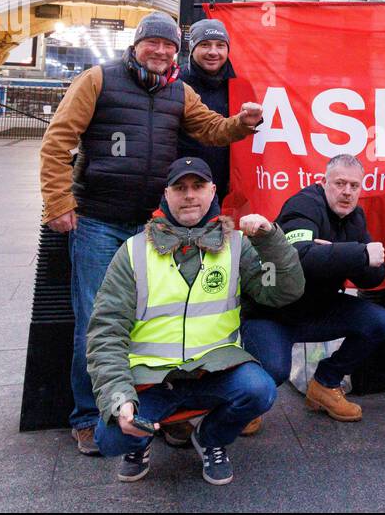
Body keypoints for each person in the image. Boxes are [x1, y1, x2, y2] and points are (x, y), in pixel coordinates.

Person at [39, 11, 265, 455]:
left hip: (151, 226)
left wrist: (241, 123)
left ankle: (160, 408)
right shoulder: (97, 80)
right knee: (94, 320)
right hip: (99, 222)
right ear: (137, 44)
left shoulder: (179, 91)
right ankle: (89, 415)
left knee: (156, 320)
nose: (161, 51)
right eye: (153, 43)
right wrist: (59, 203)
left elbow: (211, 130)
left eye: (169, 46)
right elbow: (58, 139)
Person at [85, 157, 305, 484]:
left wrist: (271, 238)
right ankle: (140, 440)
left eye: (198, 186)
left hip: (215, 372)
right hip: (152, 379)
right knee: (111, 439)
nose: (189, 195)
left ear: (212, 190)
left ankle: (210, 438)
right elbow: (106, 333)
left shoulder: (236, 245)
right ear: (167, 194)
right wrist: (119, 399)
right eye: (180, 187)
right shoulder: (133, 252)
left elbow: (283, 292)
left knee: (260, 390)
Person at [241, 154, 385, 423]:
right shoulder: (303, 205)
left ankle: (325, 384)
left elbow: (374, 276)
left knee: (379, 321)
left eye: (354, 186)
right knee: (274, 372)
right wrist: (354, 254)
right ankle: (245, 402)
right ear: (323, 183)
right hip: (272, 314)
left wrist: (336, 254)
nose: (347, 192)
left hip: (318, 310)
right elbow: (299, 258)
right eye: (340, 183)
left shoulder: (355, 217)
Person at [178, 18, 238, 204]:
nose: (213, 52)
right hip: (183, 184)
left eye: (220, 45)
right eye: (205, 45)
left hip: (226, 187)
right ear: (192, 48)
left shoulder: (239, 84)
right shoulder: (175, 83)